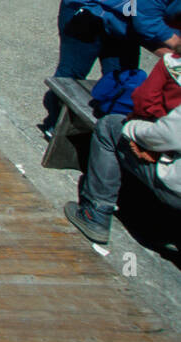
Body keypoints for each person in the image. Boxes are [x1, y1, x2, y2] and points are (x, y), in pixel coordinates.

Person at [39, 0, 181, 136]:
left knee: (125, 79)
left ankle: (103, 133)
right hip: (88, 10)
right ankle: (54, 123)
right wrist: (175, 48)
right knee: (71, 76)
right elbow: (147, 22)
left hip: (125, 16)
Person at [63, 50, 181, 245]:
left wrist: (133, 129)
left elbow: (165, 132)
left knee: (110, 127)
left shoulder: (172, 63)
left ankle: (95, 213)